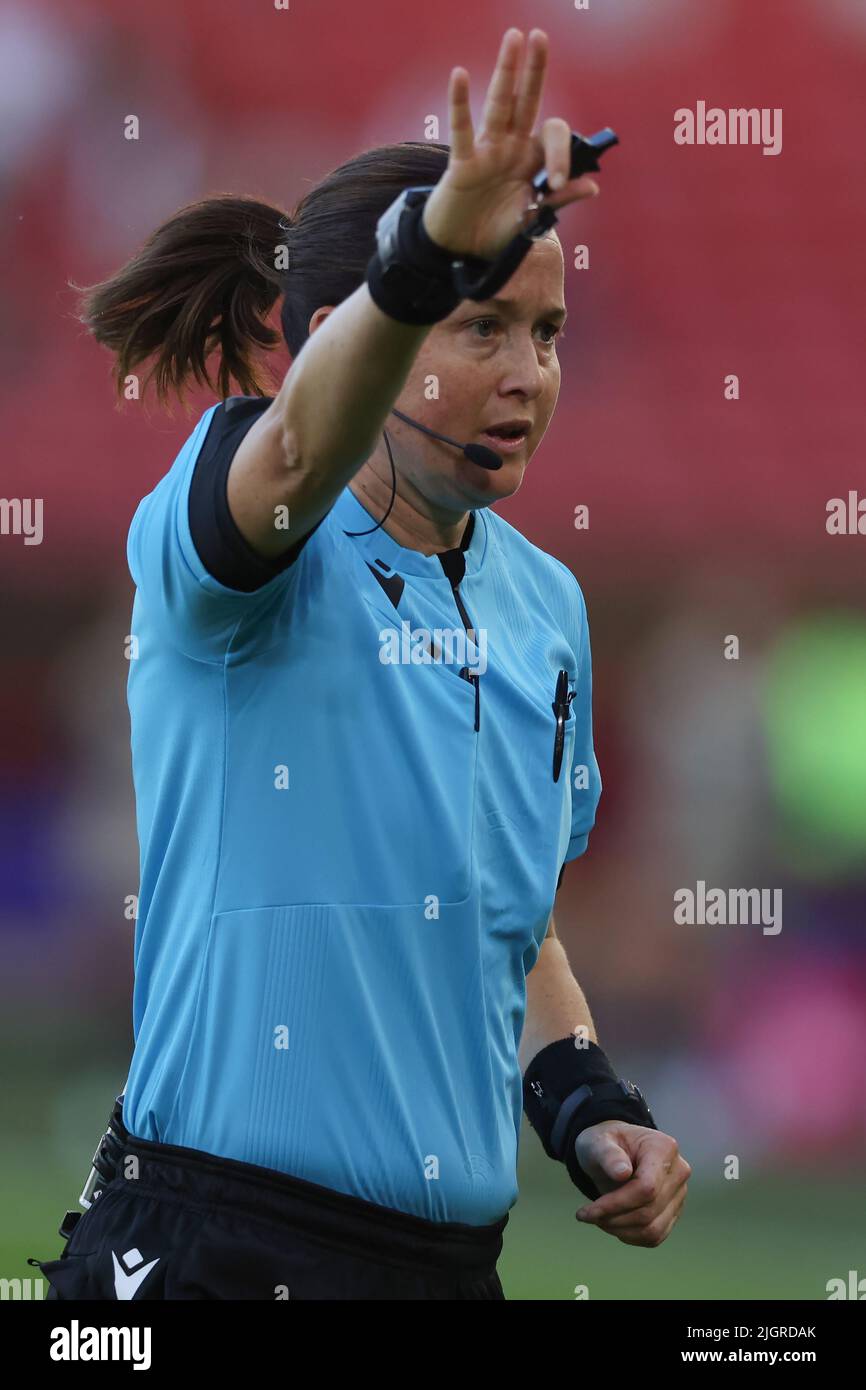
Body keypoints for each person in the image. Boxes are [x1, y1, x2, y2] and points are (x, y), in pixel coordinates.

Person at [35, 27, 690, 1301]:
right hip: (210, 1249)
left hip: (444, 1270)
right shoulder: (245, 529)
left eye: (545, 332)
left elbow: (509, 920)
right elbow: (293, 453)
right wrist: (424, 257)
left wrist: (583, 1100)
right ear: (350, 333)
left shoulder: (545, 605)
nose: (523, 376)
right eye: (478, 326)